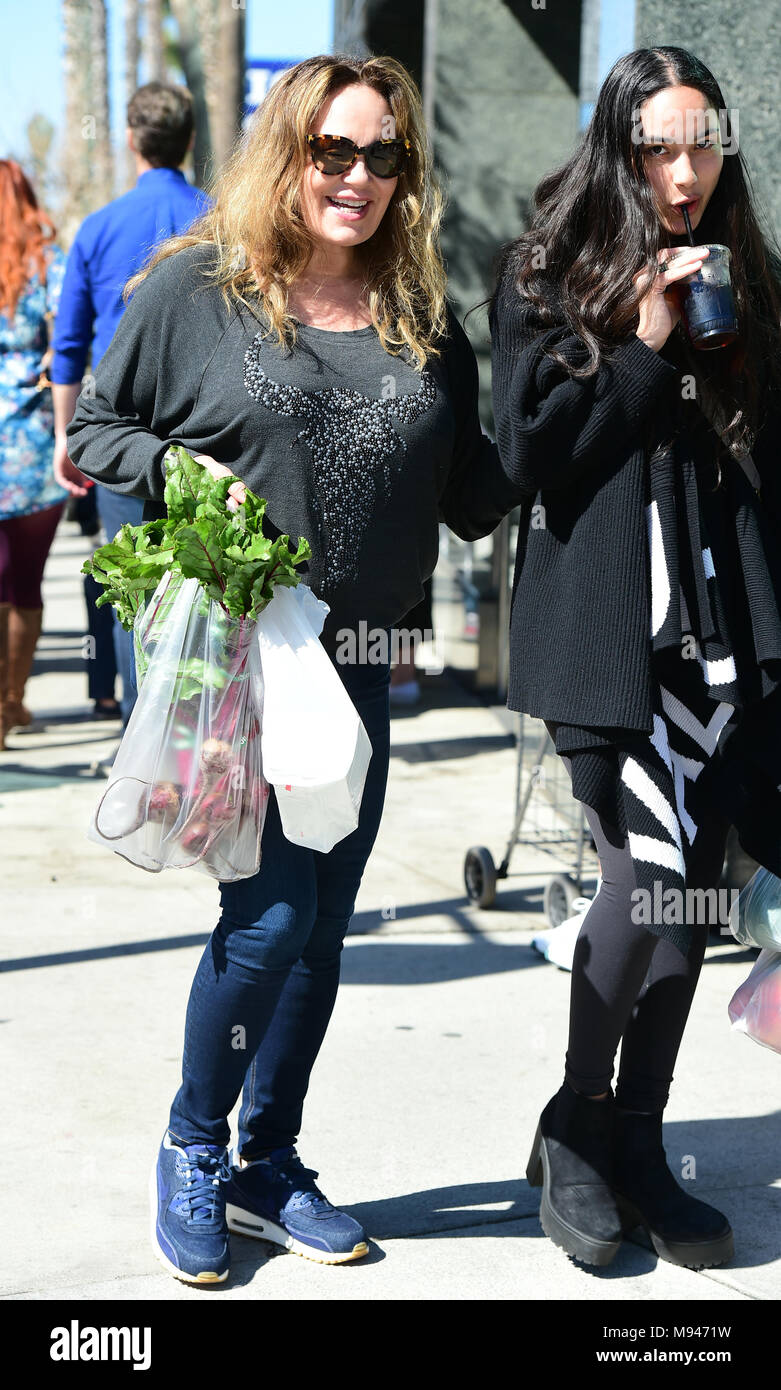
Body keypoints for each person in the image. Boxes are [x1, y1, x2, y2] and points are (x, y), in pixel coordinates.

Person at [66, 53, 524, 1286]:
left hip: (361, 668)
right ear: (290, 151)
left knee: (320, 929)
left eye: (385, 156)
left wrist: (580, 375)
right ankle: (191, 1145)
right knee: (266, 920)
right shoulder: (199, 290)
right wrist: (178, 474)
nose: (359, 177)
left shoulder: (422, 316)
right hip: (234, 663)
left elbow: (479, 492)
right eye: (334, 150)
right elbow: (97, 426)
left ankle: (269, 1162)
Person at [490, 45, 781, 1271]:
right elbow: (529, 458)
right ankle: (575, 1120)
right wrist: (647, 345)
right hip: (608, 634)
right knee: (639, 882)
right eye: (656, 145)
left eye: (700, 143)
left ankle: (641, 1136)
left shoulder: (747, 269)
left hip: (723, 636)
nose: (681, 169)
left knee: (694, 895)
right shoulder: (546, 270)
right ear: (617, 144)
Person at [52, 82, 210, 729]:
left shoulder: (98, 228)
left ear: (129, 139)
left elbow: (69, 344)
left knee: (133, 588)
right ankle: (203, 733)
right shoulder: (223, 221)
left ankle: (141, 742)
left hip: (121, 440)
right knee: (210, 592)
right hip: (210, 440)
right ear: (190, 141)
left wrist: (69, 435)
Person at [0, 160, 69, 751]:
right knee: (25, 581)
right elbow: (68, 339)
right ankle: (12, 700)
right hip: (34, 446)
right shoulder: (47, 260)